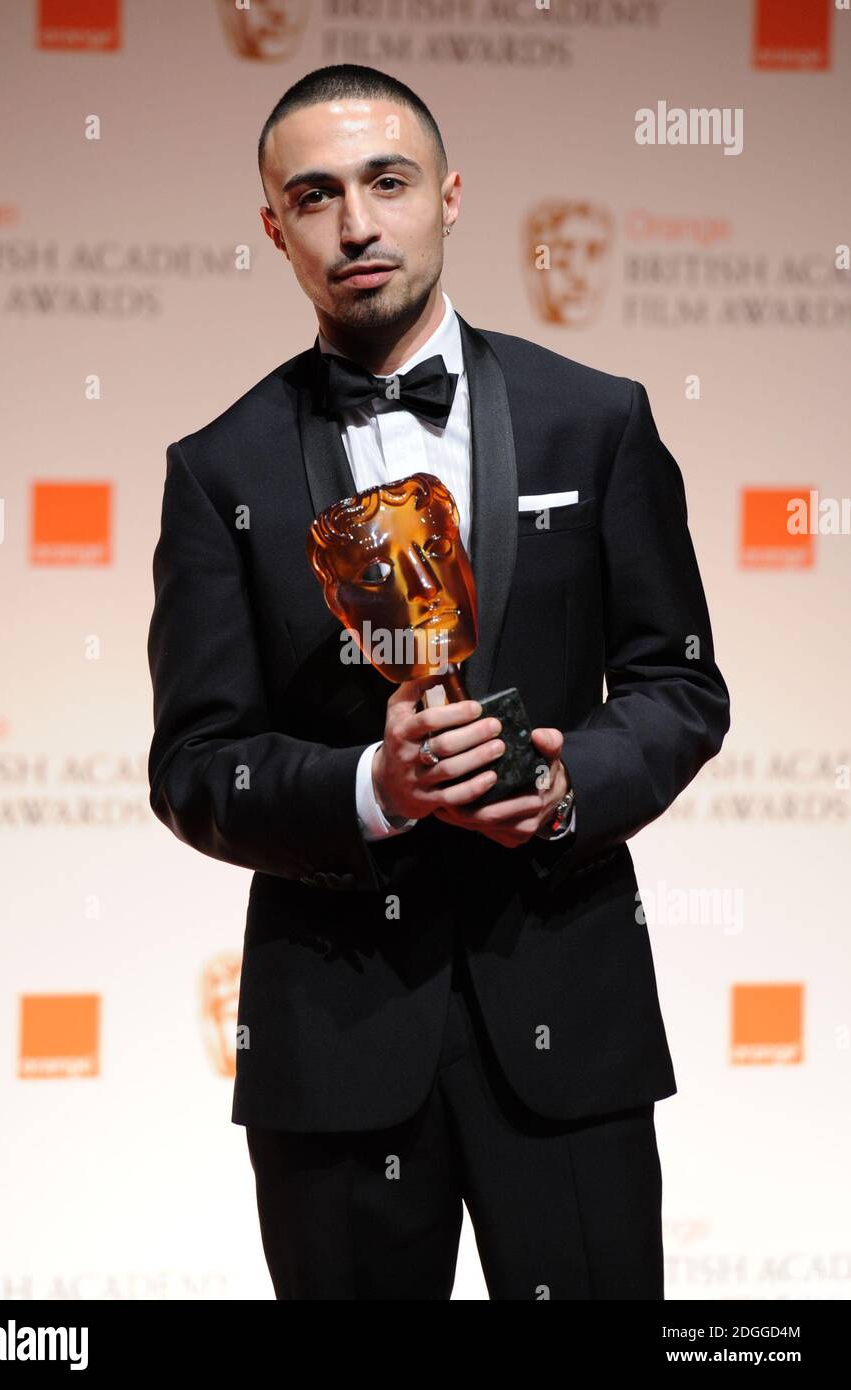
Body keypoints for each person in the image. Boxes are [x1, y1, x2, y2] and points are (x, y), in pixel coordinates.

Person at [146, 63, 731, 1300]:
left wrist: (572, 786)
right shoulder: (217, 468)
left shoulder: (596, 418)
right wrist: (371, 784)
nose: (355, 222)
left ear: (449, 196)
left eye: (386, 182)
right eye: (313, 196)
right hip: (337, 1042)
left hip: (568, 1016)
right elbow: (195, 765)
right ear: (273, 228)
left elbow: (680, 687)